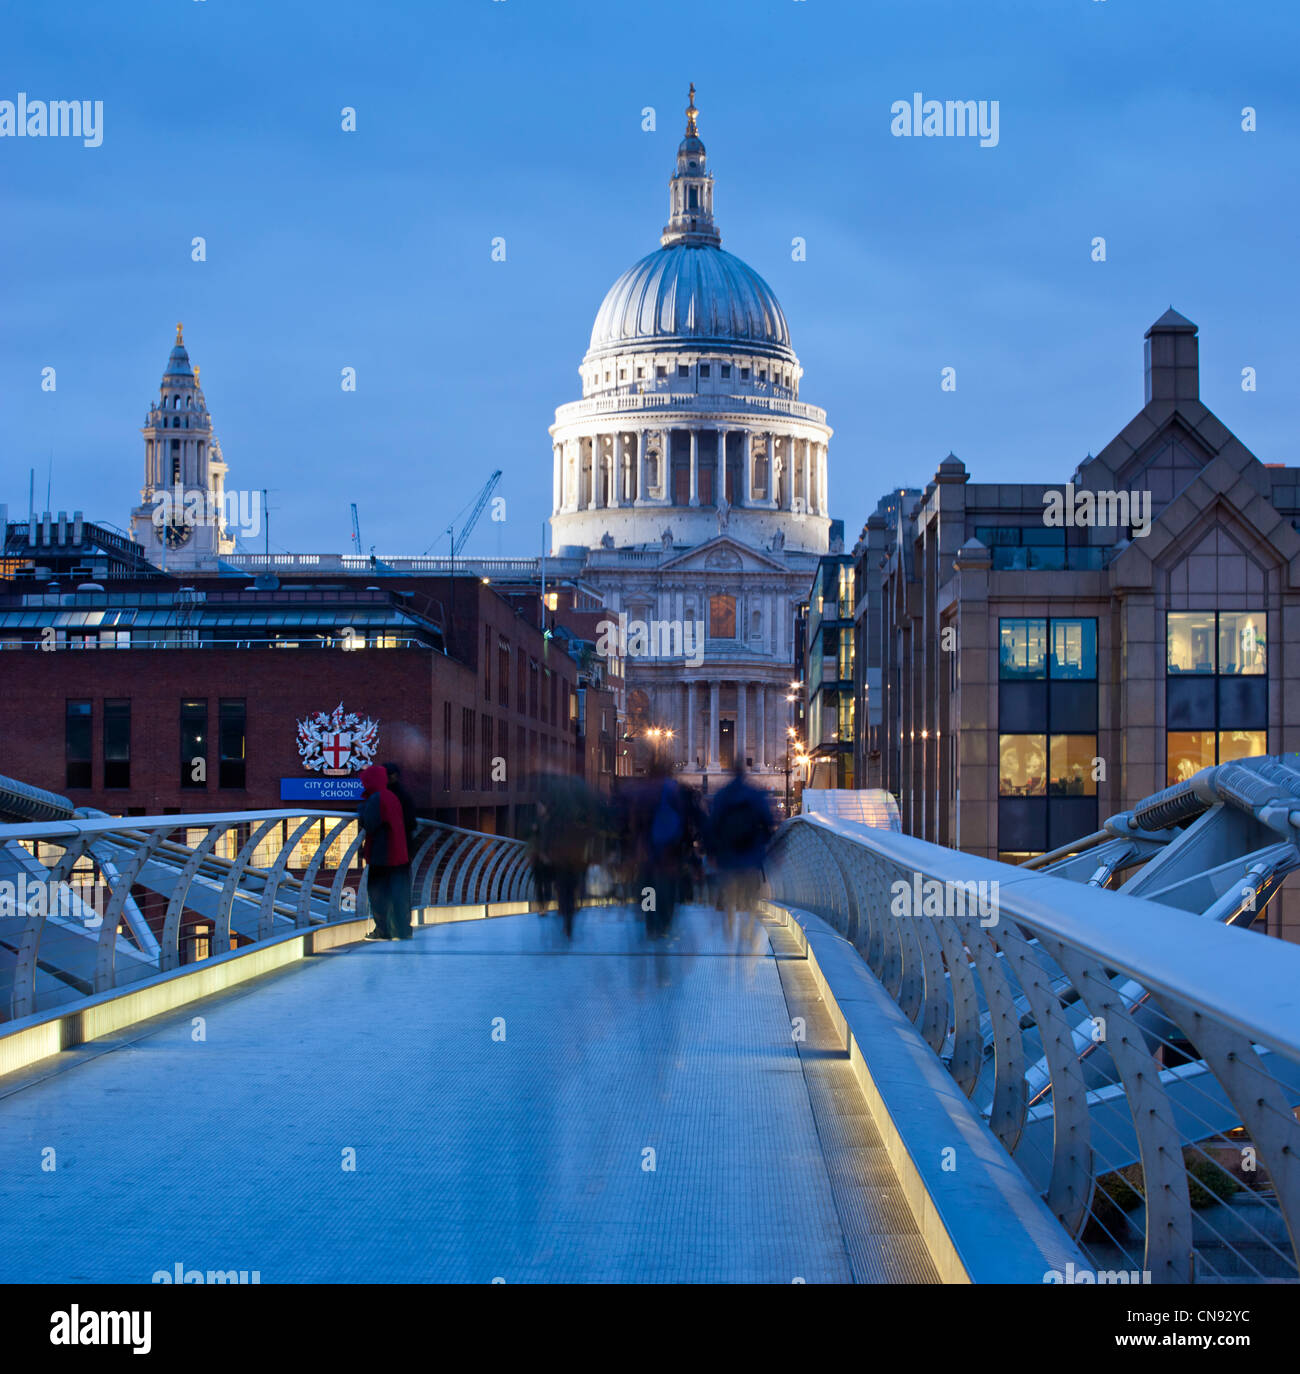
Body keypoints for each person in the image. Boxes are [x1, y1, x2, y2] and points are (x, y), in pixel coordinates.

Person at [706, 763, 774, 935]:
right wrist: (765, 848)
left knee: (729, 893)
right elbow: (768, 823)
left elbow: (712, 825)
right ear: (745, 774)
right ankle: (747, 929)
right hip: (751, 855)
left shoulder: (722, 795)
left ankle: (729, 929)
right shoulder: (755, 795)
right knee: (750, 896)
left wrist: (712, 852)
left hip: (727, 857)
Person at [635, 755, 691, 939]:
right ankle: (665, 922)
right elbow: (684, 818)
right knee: (667, 884)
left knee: (648, 885)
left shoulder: (642, 790)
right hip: (669, 847)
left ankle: (650, 921)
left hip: (646, 846)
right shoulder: (673, 789)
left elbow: (631, 819)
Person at [358, 763, 409, 941]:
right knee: (397, 893)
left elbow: (369, 823)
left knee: (377, 893)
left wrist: (361, 809)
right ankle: (401, 930)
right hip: (398, 853)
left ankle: (382, 931)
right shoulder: (391, 797)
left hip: (382, 854)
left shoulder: (375, 799)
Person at [383, 761, 417, 939]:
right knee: (401, 890)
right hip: (403, 850)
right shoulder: (405, 796)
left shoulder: (384, 796)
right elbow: (412, 823)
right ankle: (403, 928)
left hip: (388, 851)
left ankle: (391, 927)